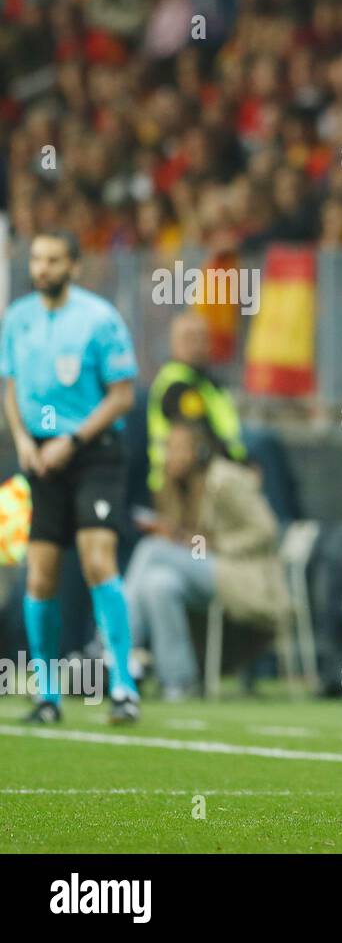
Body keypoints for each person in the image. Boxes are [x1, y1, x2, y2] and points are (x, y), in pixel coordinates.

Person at [1, 230, 140, 723]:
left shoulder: (100, 320)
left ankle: (123, 686)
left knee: (97, 559)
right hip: (41, 457)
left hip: (94, 453)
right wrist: (21, 439)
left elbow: (122, 396)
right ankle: (48, 695)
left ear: (74, 266)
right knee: (38, 574)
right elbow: (10, 385)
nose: (42, 268)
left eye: (53, 260)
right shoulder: (16, 320)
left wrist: (73, 441)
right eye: (37, 259)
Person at [127, 420, 289, 698]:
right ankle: (179, 681)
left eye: (177, 448)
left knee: (151, 550)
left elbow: (266, 529)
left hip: (241, 576)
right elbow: (189, 540)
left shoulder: (225, 479)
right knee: (159, 584)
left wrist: (215, 545)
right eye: (167, 448)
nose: (169, 455)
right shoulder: (173, 485)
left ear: (199, 452)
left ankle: (112, 648)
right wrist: (174, 532)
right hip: (203, 573)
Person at [146, 311, 246, 493]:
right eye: (189, 339)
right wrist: (238, 467)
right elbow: (200, 437)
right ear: (173, 344)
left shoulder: (209, 383)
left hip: (219, 472)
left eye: (202, 339)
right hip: (181, 483)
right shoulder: (176, 385)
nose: (197, 346)